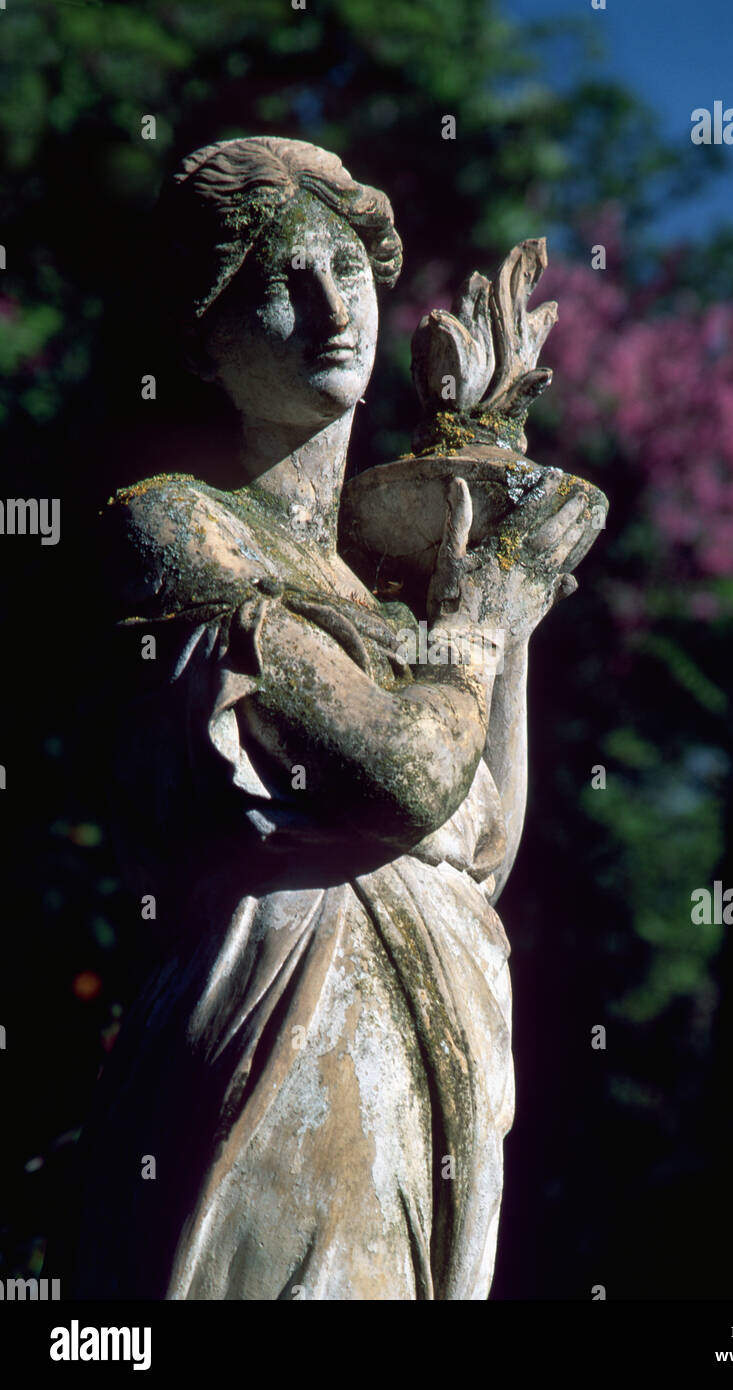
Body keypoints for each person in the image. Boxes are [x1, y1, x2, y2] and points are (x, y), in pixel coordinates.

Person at [73, 136, 590, 1300]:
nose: (330, 308)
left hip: (436, 1042)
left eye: (350, 273)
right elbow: (406, 778)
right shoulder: (179, 528)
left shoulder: (392, 607)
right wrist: (477, 628)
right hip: (277, 1023)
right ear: (206, 336)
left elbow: (479, 843)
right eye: (284, 279)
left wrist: (487, 558)